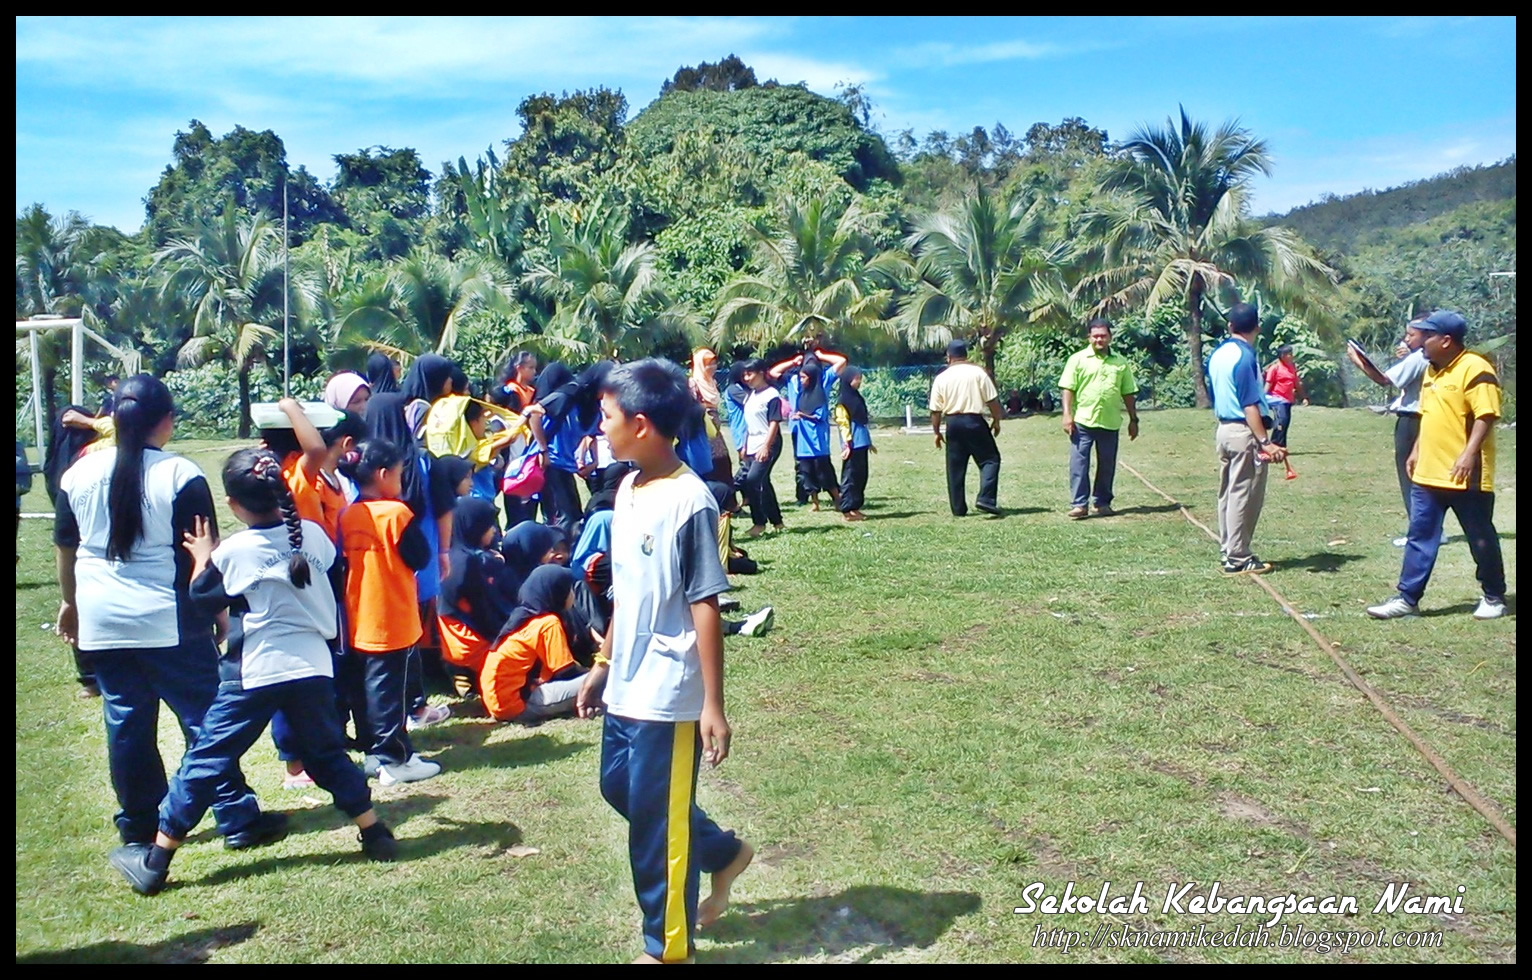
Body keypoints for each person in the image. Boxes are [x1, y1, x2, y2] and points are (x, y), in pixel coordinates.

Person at [107, 449, 398, 895]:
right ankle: (374, 831)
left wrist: (204, 556)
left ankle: (155, 859)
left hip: (256, 669)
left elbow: (204, 600)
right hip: (313, 665)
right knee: (325, 753)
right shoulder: (316, 537)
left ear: (233, 506)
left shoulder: (234, 551)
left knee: (208, 757)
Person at [53, 375, 282, 854]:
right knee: (203, 717)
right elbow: (201, 553)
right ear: (166, 420)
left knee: (126, 723)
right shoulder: (180, 474)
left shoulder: (76, 474)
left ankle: (138, 824)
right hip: (168, 615)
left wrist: (71, 603)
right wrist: (216, 613)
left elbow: (67, 549)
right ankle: (235, 814)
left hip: (102, 617)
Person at [575, 358, 753, 963]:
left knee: (657, 831)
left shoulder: (691, 501)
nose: (601, 429)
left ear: (643, 424)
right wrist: (601, 662)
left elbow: (707, 605)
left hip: (670, 689)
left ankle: (667, 948)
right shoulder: (626, 488)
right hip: (626, 679)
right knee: (620, 789)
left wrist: (712, 704)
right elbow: (627, 586)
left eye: (606, 418)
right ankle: (724, 853)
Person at [1366, 311, 1507, 621]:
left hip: (1465, 473)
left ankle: (1494, 596)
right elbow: (1428, 415)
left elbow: (1486, 415)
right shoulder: (1431, 370)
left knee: (1479, 535)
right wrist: (1416, 449)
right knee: (1421, 535)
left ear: (1446, 340)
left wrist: (1469, 454)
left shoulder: (1476, 369)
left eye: (1426, 336)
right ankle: (1407, 598)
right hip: (1429, 472)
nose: (1420, 342)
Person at [336, 439, 443, 785]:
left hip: (357, 617)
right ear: (384, 475)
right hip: (391, 618)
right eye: (399, 474)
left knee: (365, 692)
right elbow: (420, 557)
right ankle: (396, 760)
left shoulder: (349, 513)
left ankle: (373, 754)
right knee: (390, 694)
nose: (401, 480)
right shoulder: (397, 514)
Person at [365, 393, 456, 731]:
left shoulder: (361, 462)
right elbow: (445, 508)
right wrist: (443, 552)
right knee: (410, 637)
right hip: (420, 557)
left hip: (373, 568)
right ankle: (415, 705)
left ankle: (387, 713)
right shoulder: (420, 460)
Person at [1346, 320, 1451, 548]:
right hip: (1429, 418)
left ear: (1426, 337)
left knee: (1410, 476)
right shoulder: (1437, 357)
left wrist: (1357, 361)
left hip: (1412, 419)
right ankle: (1433, 528)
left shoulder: (1419, 358)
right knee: (1424, 475)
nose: (1406, 340)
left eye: (1411, 335)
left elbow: (1384, 380)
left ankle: (1421, 530)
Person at [1207, 302, 1288, 575]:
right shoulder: (1245, 357)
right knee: (1245, 494)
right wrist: (1265, 441)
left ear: (1230, 326)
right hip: (1243, 432)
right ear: (1258, 328)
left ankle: (1228, 548)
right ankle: (1239, 557)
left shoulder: (1218, 354)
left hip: (1223, 430)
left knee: (1228, 493)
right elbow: (1249, 404)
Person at [478, 565, 590, 723]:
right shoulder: (548, 623)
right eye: (569, 589)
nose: (572, 594)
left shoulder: (525, 616)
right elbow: (565, 671)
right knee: (604, 678)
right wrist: (593, 673)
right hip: (518, 706)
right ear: (556, 592)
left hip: (500, 702)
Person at [1058, 319, 1140, 519]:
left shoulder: (1120, 362)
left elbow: (1128, 392)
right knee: (1079, 463)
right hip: (1083, 421)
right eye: (1095, 336)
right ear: (1089, 337)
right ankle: (1079, 504)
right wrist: (1067, 414)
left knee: (1107, 464)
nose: (1099, 339)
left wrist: (1133, 419)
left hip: (1110, 421)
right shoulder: (1077, 359)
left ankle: (1102, 502)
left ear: (1110, 337)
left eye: (1103, 335)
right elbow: (1068, 388)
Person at [438, 497, 515, 694]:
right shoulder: (467, 562)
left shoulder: (452, 554)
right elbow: (483, 613)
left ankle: (462, 673)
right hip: (466, 642)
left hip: (449, 639)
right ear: (475, 527)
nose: (494, 531)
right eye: (489, 526)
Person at [528, 361, 614, 538]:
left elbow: (591, 435)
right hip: (551, 462)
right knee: (565, 518)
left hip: (565, 466)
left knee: (575, 515)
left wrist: (593, 461)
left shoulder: (591, 406)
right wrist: (543, 450)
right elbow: (533, 414)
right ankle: (558, 558)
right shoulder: (569, 394)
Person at [929, 339, 1003, 517]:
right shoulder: (978, 373)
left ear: (949, 357)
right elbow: (992, 400)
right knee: (990, 459)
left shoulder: (942, 377)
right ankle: (986, 498)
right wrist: (996, 420)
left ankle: (958, 508)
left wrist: (937, 432)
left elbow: (935, 410)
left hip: (953, 423)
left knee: (955, 466)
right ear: (966, 355)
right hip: (974, 421)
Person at [739, 358, 787, 537]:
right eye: (744, 374)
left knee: (752, 480)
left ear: (761, 373)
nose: (746, 377)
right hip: (752, 443)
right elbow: (749, 423)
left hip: (769, 442)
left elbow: (774, 422)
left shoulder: (772, 395)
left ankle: (759, 523)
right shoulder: (750, 395)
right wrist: (745, 445)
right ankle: (777, 522)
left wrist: (766, 446)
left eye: (750, 373)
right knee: (763, 483)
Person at [834, 366, 875, 522]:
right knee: (850, 476)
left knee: (860, 476)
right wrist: (846, 444)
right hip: (852, 443)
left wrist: (868, 442)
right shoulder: (843, 401)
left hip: (861, 442)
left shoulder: (856, 397)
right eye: (856, 378)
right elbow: (843, 423)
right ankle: (846, 509)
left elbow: (862, 421)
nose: (859, 381)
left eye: (860, 378)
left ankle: (855, 507)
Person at [1263, 344, 1306, 480]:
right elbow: (1267, 386)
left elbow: (1296, 384)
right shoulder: (1274, 368)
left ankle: (1279, 446)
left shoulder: (1292, 368)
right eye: (1289, 354)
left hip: (1287, 401)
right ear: (1282, 356)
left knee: (1284, 423)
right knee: (1281, 421)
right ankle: (1275, 447)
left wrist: (1303, 396)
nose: (1291, 356)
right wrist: (1261, 402)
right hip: (1277, 400)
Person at [400, 354, 455, 439]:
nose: (450, 380)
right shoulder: (423, 410)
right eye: (446, 377)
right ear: (435, 379)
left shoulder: (409, 405)